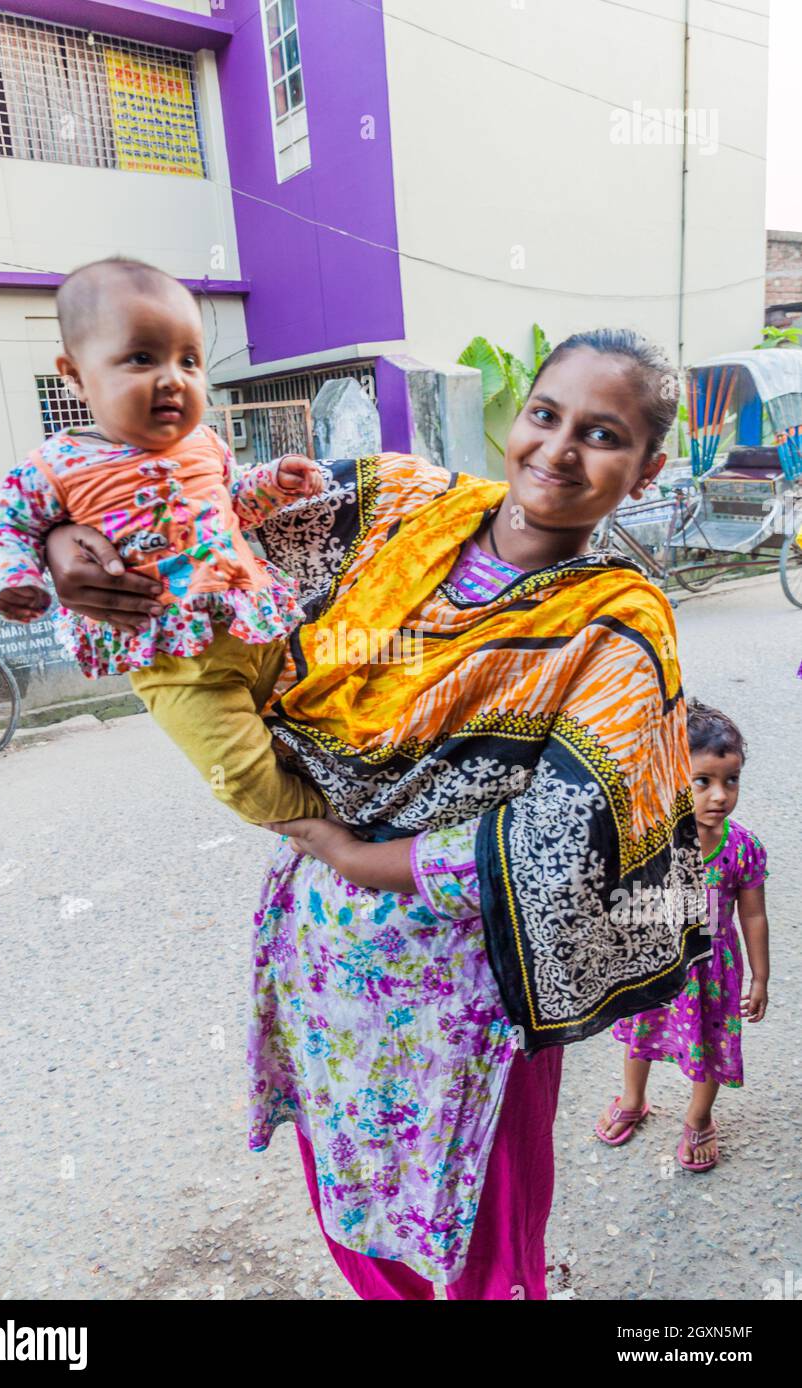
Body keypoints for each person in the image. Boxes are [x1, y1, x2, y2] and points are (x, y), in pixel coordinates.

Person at [44, 328, 709, 1299]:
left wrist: (355, 858)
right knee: (354, 1209)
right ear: (515, 415)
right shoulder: (400, 501)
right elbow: (191, 523)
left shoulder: (616, 624)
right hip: (325, 965)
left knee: (476, 1238)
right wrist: (70, 539)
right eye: (544, 413)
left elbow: (562, 847)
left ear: (645, 470)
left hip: (467, 996)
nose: (557, 450)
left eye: (601, 434)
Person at [0, 256, 326, 825]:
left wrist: (275, 481)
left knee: (322, 723)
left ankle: (358, 799)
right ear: (74, 373)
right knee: (241, 774)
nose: (173, 377)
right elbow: (9, 529)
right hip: (176, 662)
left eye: (188, 359)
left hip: (265, 628)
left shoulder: (205, 442)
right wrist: (15, 579)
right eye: (142, 358)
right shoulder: (56, 465)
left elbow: (233, 502)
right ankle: (320, 826)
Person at [595, 700, 769, 1171]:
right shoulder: (652, 838)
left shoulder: (743, 848)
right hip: (655, 965)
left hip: (712, 971)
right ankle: (633, 1098)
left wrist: (760, 979)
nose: (720, 795)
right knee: (640, 1033)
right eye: (703, 781)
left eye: (730, 780)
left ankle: (699, 1117)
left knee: (710, 1046)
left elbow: (752, 917)